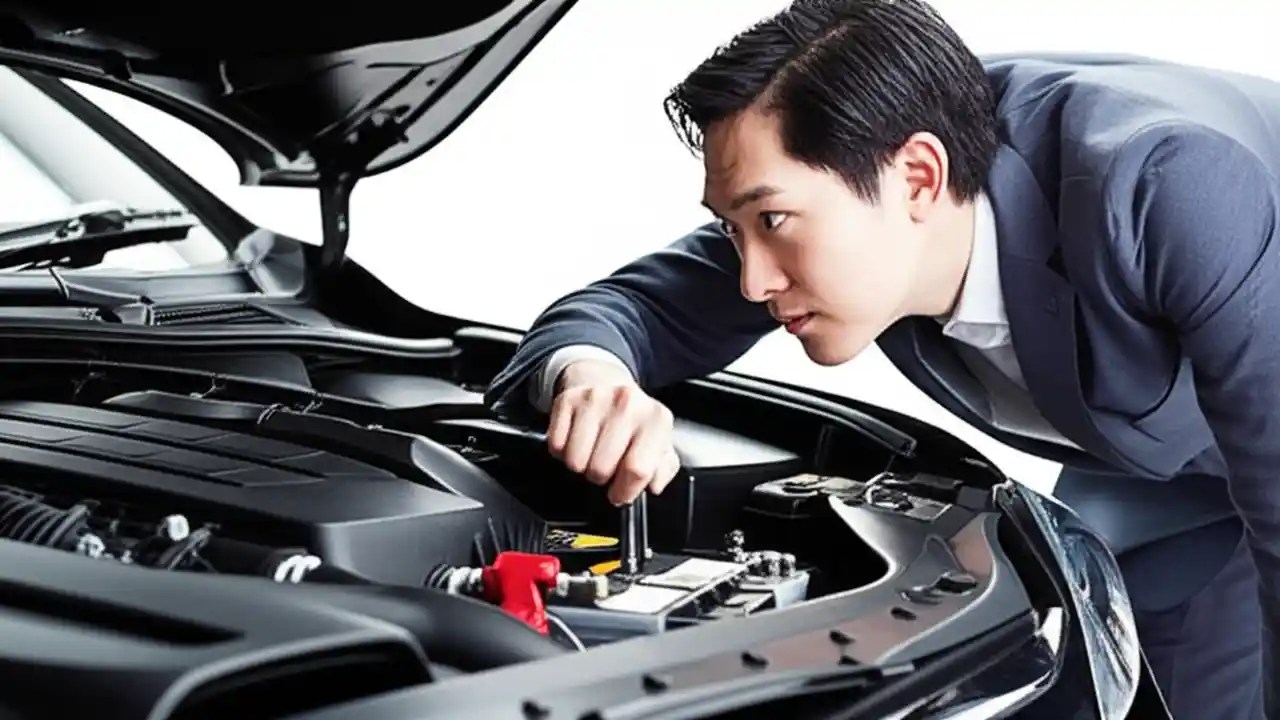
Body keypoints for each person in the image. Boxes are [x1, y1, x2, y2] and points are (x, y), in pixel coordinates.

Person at [484, 1, 1280, 716]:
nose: (752, 281)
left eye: (772, 220)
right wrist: (591, 379)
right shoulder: (859, 182)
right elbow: (623, 312)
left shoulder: (1164, 189)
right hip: (1172, 476)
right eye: (733, 228)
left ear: (919, 179)